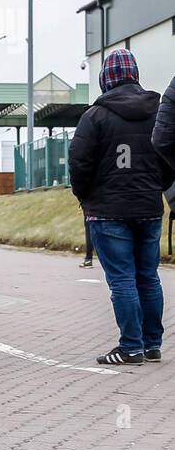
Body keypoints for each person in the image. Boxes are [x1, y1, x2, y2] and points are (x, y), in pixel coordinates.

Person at [69, 49, 171, 365]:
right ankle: (152, 344)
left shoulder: (95, 116)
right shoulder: (157, 110)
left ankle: (131, 347)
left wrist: (85, 197)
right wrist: (159, 185)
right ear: (135, 75)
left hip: (107, 211)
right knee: (148, 276)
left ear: (105, 79)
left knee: (123, 280)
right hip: (149, 206)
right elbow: (169, 153)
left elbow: (79, 163)